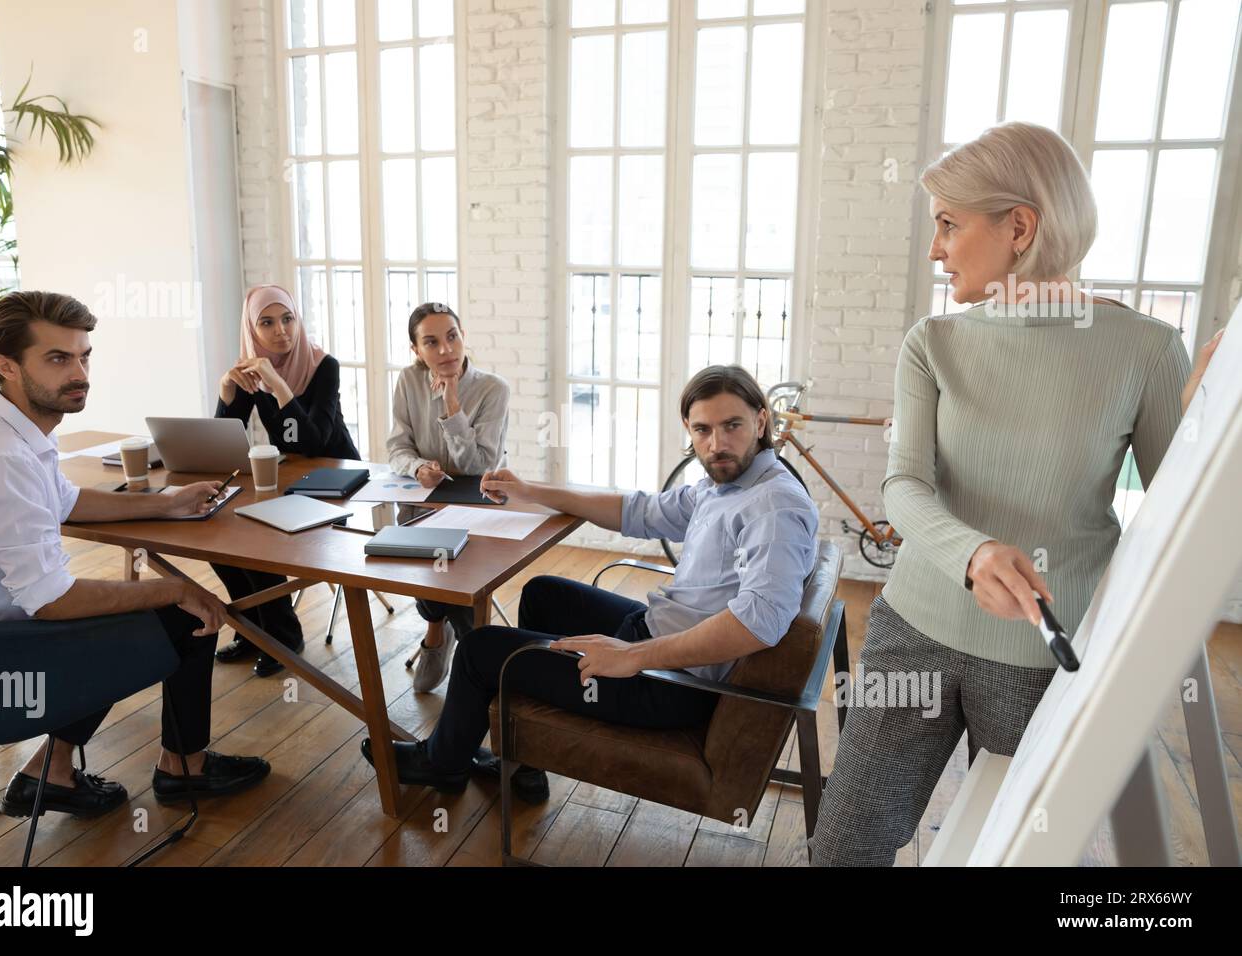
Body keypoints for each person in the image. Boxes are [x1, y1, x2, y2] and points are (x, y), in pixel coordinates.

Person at [808, 121, 1221, 866]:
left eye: (948, 224)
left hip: (1044, 653)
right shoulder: (933, 342)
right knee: (843, 845)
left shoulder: (1146, 350)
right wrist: (972, 554)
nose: (935, 249)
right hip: (914, 631)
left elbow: (1177, 521)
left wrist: (1207, 431)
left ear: (1019, 227)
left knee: (1021, 853)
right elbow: (903, 485)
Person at [360, 364, 819, 803]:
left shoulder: (772, 508)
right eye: (702, 430)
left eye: (732, 425)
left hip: (671, 682)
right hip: (659, 632)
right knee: (545, 593)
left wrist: (631, 656)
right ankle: (524, 759)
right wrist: (532, 491)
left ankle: (444, 766)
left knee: (479, 650)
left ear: (761, 421)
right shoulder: (725, 483)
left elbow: (759, 624)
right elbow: (636, 511)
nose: (717, 443)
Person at [0, 291, 270, 818]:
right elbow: (51, 601)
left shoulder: (4, 427)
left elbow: (65, 501)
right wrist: (177, 587)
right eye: (58, 358)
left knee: (137, 610)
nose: (80, 372)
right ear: (5, 365)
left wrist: (163, 504)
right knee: (182, 615)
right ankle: (184, 766)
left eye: (83, 355)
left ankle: (51, 772)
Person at [210, 284, 360, 677]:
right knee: (218, 532)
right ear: (251, 328)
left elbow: (313, 440)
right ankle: (253, 628)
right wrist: (226, 395)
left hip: (340, 483)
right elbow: (225, 442)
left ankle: (283, 637)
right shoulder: (250, 372)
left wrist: (277, 384)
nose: (282, 331)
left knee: (258, 534)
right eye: (267, 322)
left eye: (288, 319)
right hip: (290, 480)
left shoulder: (323, 366)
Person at [386, 302, 510, 692]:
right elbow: (396, 448)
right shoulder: (408, 381)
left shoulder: (493, 389)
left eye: (452, 337)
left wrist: (452, 403)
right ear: (416, 351)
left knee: (455, 562)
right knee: (415, 535)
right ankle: (452, 634)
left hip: (476, 505)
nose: (445, 350)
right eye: (432, 342)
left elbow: (476, 467)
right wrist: (418, 467)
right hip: (425, 502)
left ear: (463, 336)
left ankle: (445, 636)